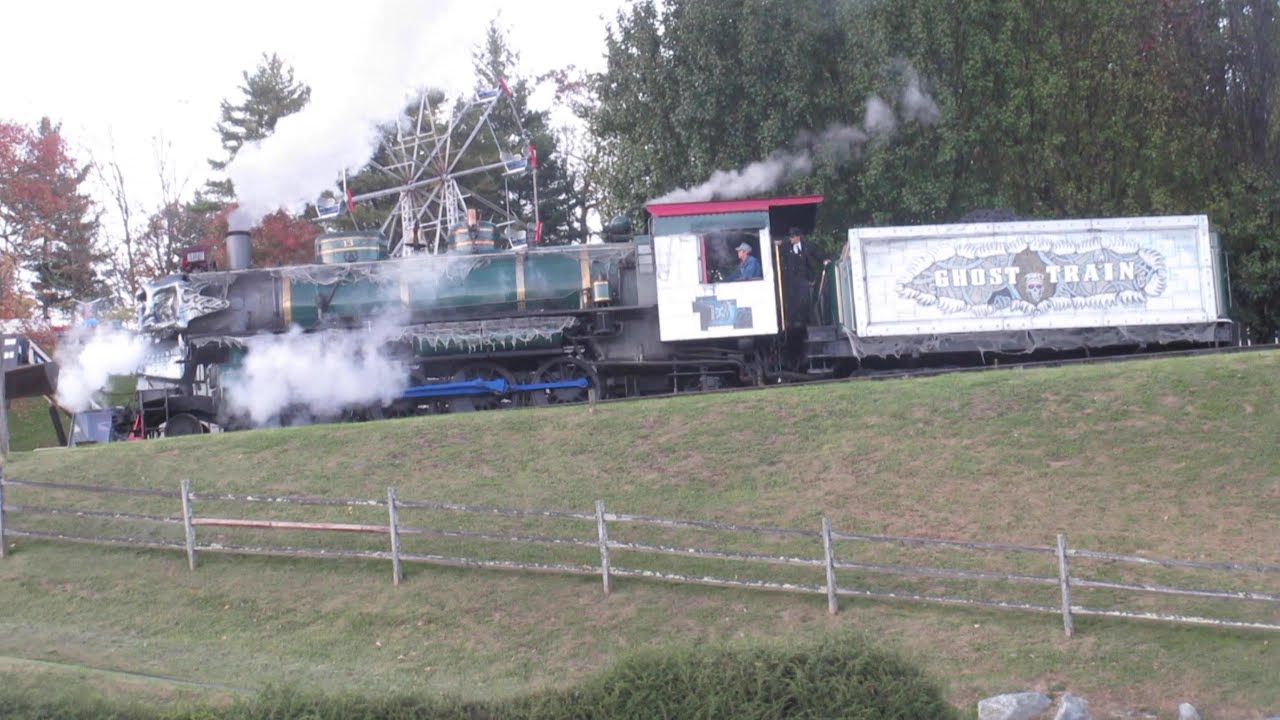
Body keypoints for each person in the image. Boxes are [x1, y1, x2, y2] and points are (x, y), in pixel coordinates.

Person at [780, 226, 822, 325]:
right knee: (792, 299)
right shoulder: (786, 247)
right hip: (791, 278)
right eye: (790, 237)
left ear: (798, 237)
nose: (790, 239)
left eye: (792, 237)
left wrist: (824, 260)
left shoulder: (807, 246)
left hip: (804, 277)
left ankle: (806, 320)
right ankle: (792, 321)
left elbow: (816, 254)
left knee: (804, 298)